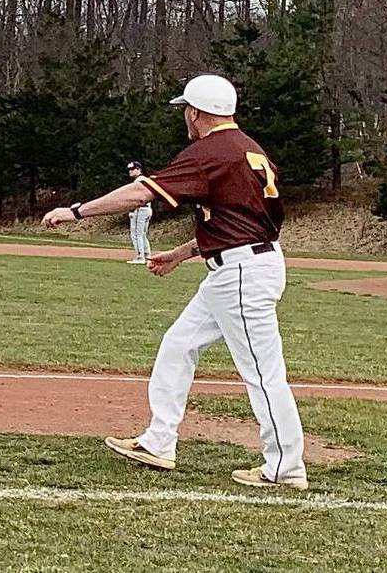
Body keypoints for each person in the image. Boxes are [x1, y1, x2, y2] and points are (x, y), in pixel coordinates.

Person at [41, 74, 308, 490]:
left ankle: (285, 467)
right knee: (178, 345)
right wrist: (182, 253)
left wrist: (76, 211)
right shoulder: (249, 149)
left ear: (196, 112)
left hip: (242, 273)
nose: (185, 116)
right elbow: (241, 223)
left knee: (263, 372)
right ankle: (159, 441)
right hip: (242, 266)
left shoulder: (211, 151)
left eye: (186, 109)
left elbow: (140, 193)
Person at [125, 161, 152, 264]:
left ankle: (140, 257)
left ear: (138, 169)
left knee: (136, 234)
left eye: (132, 169)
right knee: (143, 234)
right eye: (129, 169)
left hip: (141, 209)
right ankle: (147, 255)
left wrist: (132, 210)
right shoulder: (145, 179)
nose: (130, 171)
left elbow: (136, 198)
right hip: (147, 209)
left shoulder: (138, 181)